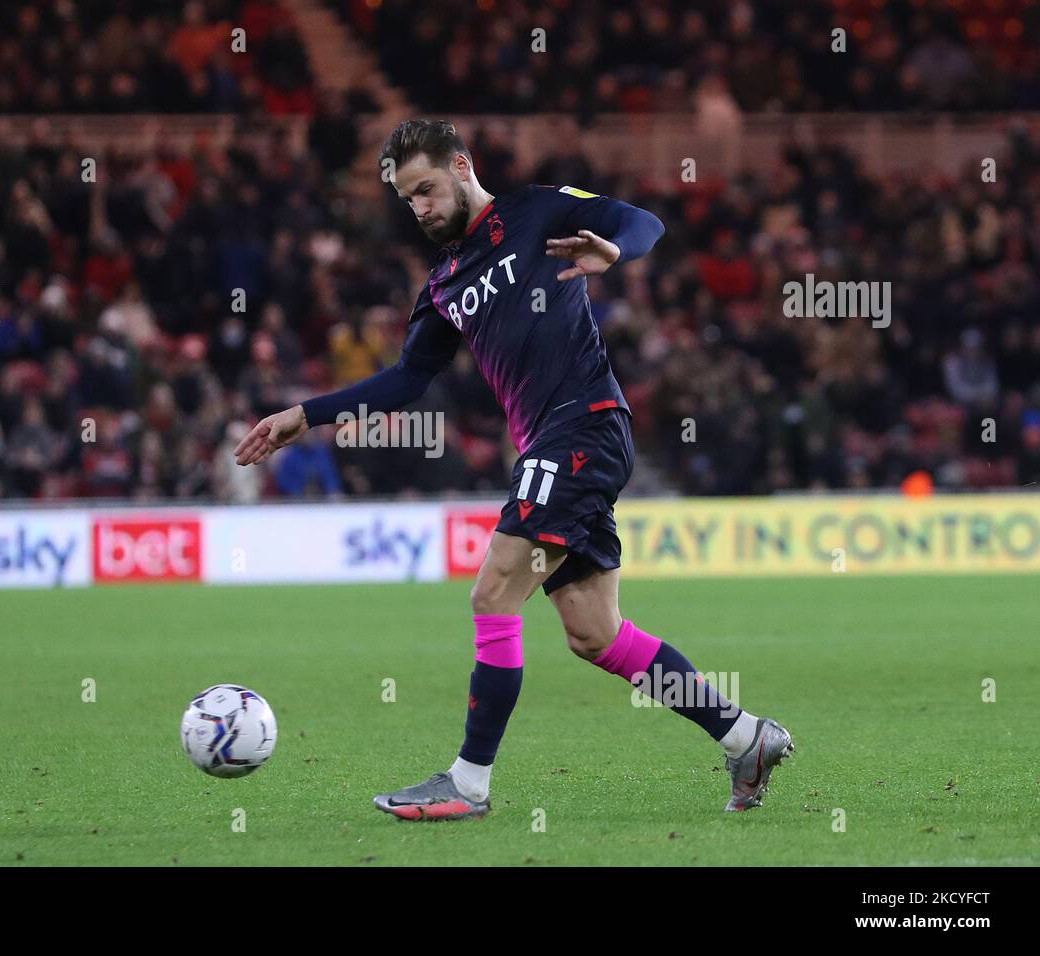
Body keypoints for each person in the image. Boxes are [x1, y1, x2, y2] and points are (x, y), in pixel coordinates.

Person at [234, 119, 792, 818]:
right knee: (595, 632)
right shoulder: (443, 284)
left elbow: (641, 221)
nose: (421, 209)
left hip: (582, 425)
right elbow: (407, 381)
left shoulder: (538, 210)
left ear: (462, 166)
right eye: (408, 200)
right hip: (552, 446)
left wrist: (615, 249)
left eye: (428, 189)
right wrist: (305, 415)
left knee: (493, 592)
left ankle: (467, 784)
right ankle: (746, 738)